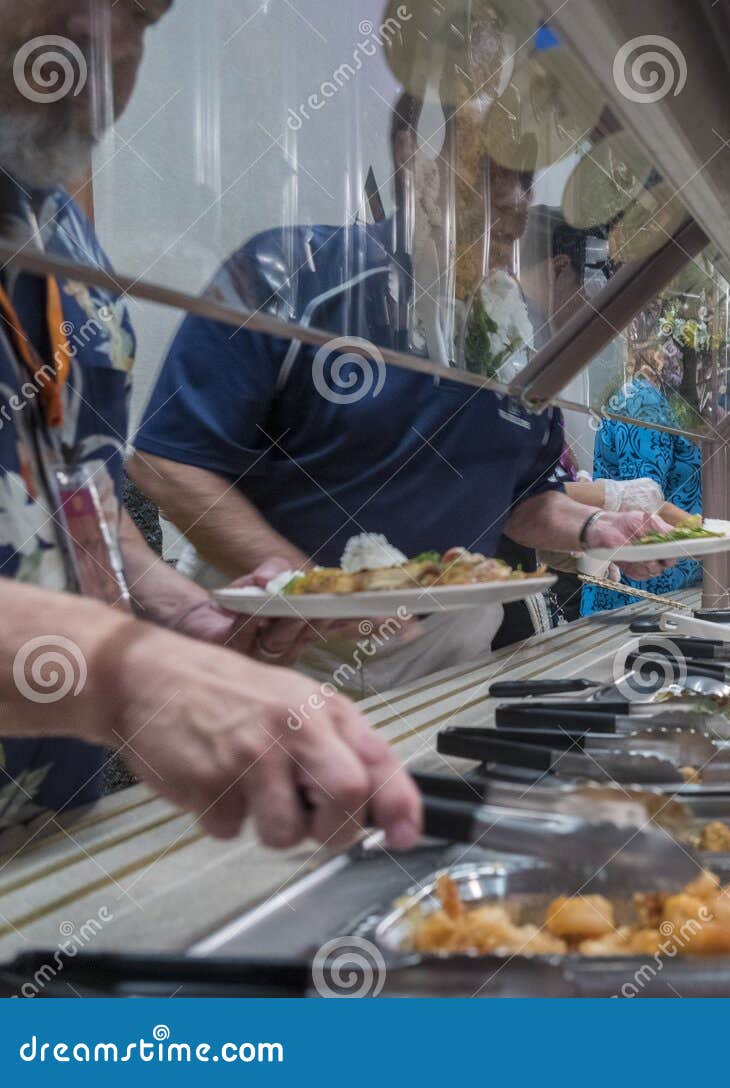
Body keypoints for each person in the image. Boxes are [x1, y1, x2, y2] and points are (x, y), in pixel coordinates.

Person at [0, 0, 420, 849]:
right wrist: (130, 675)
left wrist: (173, 610)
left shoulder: (62, 229)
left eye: (142, 15)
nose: (101, 40)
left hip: (46, 828)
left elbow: (77, 493)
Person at [130, 87, 674, 691]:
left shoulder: (522, 335)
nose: (518, 200)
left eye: (527, 179)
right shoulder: (293, 274)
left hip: (448, 657)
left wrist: (592, 530)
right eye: (494, 170)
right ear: (415, 160)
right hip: (276, 649)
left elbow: (525, 499)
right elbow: (165, 464)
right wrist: (310, 587)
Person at [583, 342, 703, 613]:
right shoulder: (641, 401)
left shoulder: (659, 404)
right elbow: (643, 501)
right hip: (638, 595)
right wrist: (719, 537)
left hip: (666, 589)